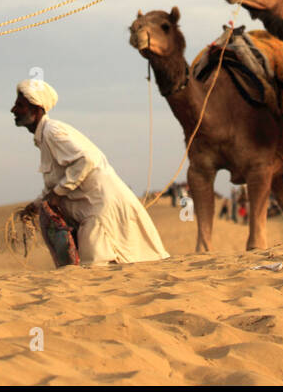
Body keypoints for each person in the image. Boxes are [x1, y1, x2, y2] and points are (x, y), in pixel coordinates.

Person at [11, 79, 168, 265]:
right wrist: (36, 205)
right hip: (91, 214)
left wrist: (57, 194)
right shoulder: (44, 137)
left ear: (36, 110)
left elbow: (87, 160)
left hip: (101, 211)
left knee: (100, 270)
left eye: (19, 105)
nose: (13, 110)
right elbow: (58, 180)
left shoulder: (53, 131)